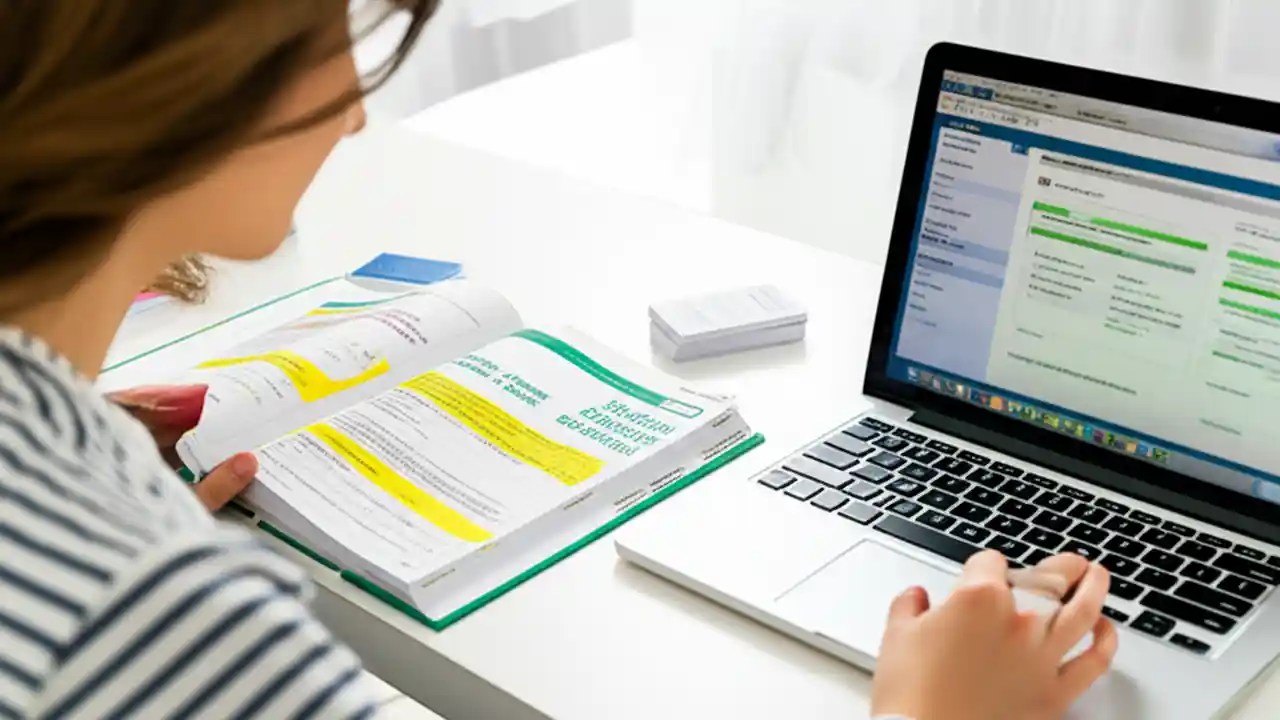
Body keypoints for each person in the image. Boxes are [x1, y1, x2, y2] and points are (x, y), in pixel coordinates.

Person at [0, 2, 1115, 718]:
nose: (351, 109)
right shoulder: (147, 611)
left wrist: (105, 498)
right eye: (326, 28)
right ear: (173, 66)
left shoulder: (72, 496)